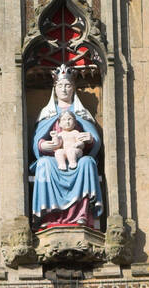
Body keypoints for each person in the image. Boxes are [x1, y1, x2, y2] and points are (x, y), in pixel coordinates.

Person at [31, 64, 103, 230]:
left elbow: (95, 142)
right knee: (43, 164)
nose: (64, 89)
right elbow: (37, 142)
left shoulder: (81, 113)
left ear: (73, 88)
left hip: (76, 159)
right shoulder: (47, 113)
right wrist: (44, 145)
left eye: (68, 85)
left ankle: (82, 216)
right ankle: (49, 216)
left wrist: (90, 139)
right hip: (55, 159)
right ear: (54, 89)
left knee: (88, 163)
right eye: (60, 86)